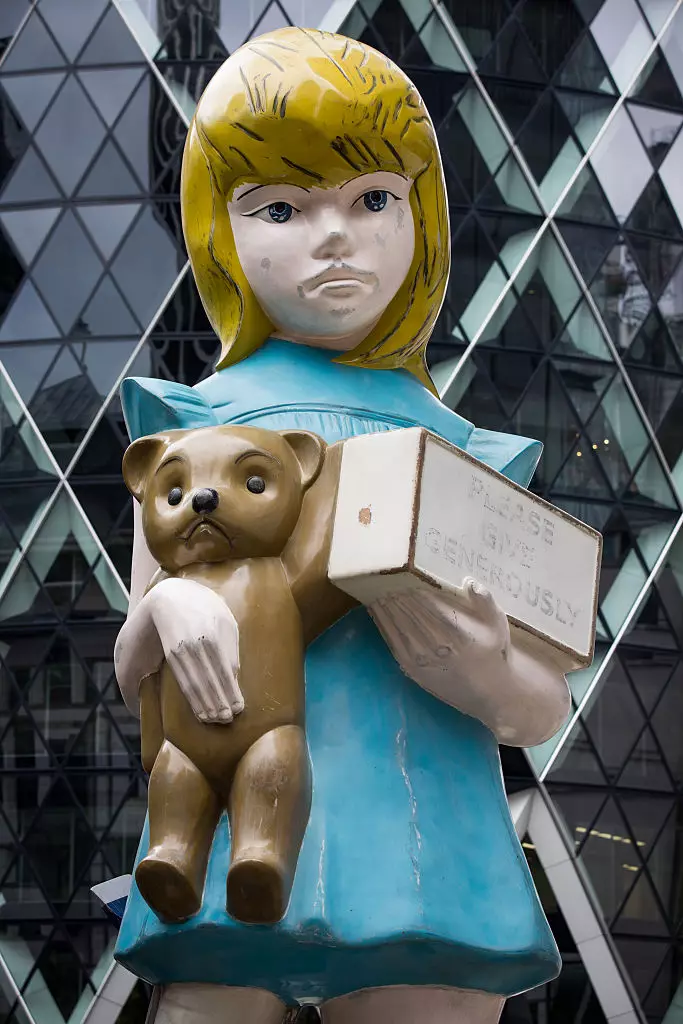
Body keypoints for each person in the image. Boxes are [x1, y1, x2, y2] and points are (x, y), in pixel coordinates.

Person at [113, 27, 570, 1024]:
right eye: (281, 207)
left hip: (419, 843)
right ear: (220, 230)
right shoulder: (190, 427)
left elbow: (540, 703)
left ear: (420, 218)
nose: (335, 237)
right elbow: (129, 651)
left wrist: (480, 668)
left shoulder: (456, 447)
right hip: (232, 827)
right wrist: (168, 616)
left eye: (372, 200)